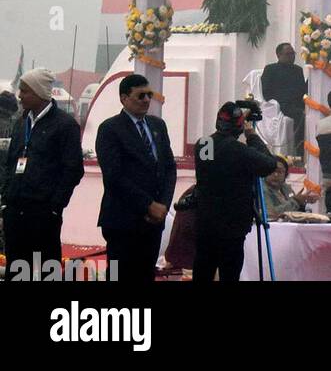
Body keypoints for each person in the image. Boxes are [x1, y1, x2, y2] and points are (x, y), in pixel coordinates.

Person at [0, 68, 84, 281]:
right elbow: (11, 163)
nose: (20, 96)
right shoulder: (21, 122)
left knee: (47, 272)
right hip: (15, 212)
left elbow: (73, 169)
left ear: (40, 93)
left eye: (25, 91)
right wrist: (6, 198)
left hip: (44, 214)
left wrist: (55, 206)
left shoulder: (65, 125)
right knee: (17, 271)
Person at [95, 73, 177, 284]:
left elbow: (169, 168)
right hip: (123, 220)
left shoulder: (158, 126)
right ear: (124, 98)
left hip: (153, 222)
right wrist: (148, 205)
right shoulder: (110, 129)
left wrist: (163, 205)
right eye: (141, 96)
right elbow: (114, 176)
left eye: (149, 95)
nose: (147, 100)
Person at [193, 101, 277, 284]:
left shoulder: (203, 144)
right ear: (238, 127)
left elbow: (218, 153)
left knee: (202, 273)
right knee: (229, 275)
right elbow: (269, 164)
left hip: (206, 223)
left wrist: (238, 123)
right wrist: (252, 135)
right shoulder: (240, 152)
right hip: (231, 227)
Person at [260, 43, 307, 150]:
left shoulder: (298, 70)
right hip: (280, 104)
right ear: (278, 55)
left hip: (297, 103)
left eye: (293, 54)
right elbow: (266, 91)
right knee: (300, 115)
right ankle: (299, 149)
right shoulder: (270, 69)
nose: (292, 56)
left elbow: (302, 90)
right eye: (288, 54)